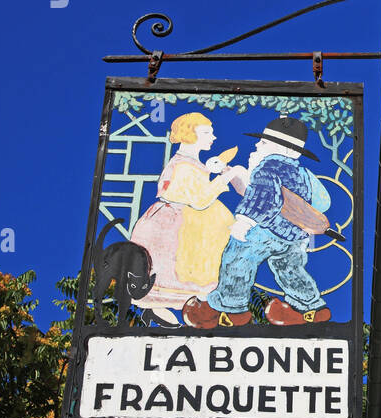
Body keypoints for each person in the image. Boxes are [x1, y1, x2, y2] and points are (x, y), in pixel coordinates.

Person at [183, 116, 333, 327]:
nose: (256, 145)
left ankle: (231, 310)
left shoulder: (268, 167)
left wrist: (244, 222)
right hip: (295, 236)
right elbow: (322, 201)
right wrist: (229, 171)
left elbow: (261, 198)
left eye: (263, 143)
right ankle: (311, 308)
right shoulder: (302, 173)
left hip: (266, 230)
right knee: (290, 270)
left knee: (238, 258)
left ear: (284, 149)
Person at [129, 112, 246, 326]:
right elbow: (200, 200)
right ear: (189, 134)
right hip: (176, 226)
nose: (213, 137)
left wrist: (218, 170)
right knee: (175, 273)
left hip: (186, 222)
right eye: (206, 132)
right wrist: (229, 174)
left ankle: (184, 312)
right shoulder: (184, 165)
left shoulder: (192, 163)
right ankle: (169, 311)